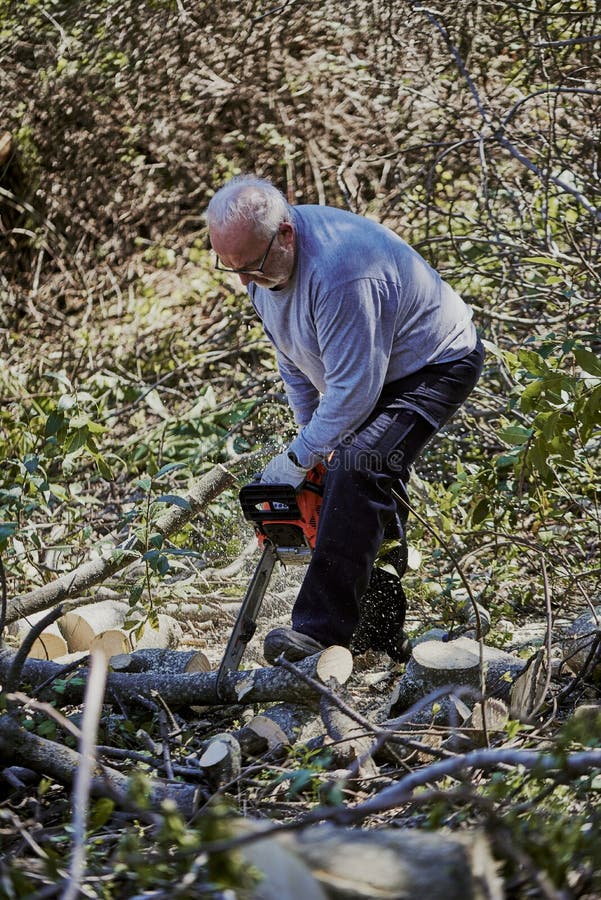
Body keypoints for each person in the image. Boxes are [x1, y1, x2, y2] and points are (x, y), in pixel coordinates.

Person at [207, 174, 484, 664]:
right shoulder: (262, 269)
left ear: (286, 235)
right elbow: (293, 358)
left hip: (434, 363)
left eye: (249, 266)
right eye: (230, 268)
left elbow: (356, 390)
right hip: (371, 367)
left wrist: (300, 458)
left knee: (359, 466)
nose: (243, 281)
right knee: (356, 477)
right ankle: (377, 640)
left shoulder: (343, 272)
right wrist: (308, 445)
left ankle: (317, 633)